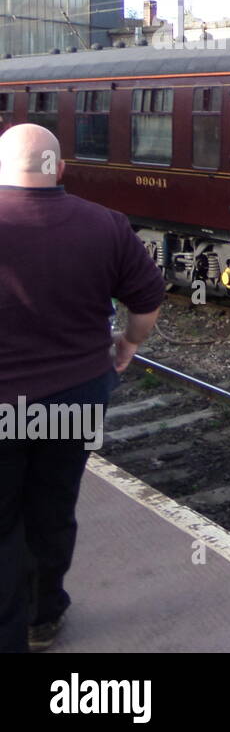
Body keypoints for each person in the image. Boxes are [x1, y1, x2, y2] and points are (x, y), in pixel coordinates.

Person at [0, 123, 164, 652]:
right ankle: (43, 616)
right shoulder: (106, 225)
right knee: (52, 506)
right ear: (60, 170)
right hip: (73, 398)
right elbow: (146, 303)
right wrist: (129, 344)